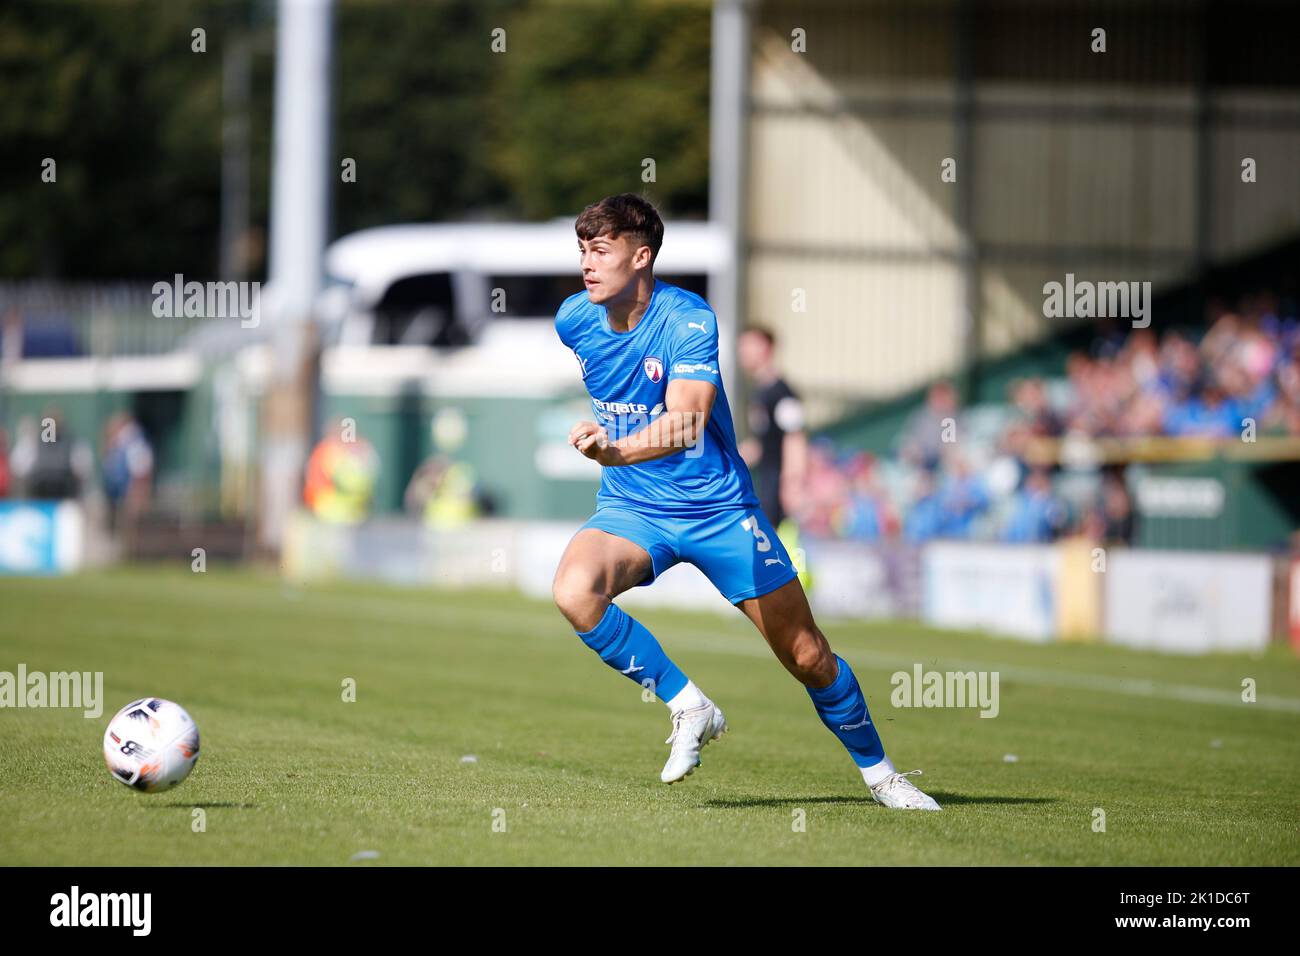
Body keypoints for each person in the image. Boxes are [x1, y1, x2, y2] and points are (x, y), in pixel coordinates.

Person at [550, 193, 940, 810]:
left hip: (719, 511)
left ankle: (883, 775)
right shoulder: (574, 319)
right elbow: (621, 390)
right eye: (582, 252)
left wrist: (614, 448)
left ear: (642, 256)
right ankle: (690, 706)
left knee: (807, 655)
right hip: (635, 508)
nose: (587, 265)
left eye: (601, 251)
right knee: (574, 592)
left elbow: (687, 422)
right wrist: (606, 440)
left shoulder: (688, 320)